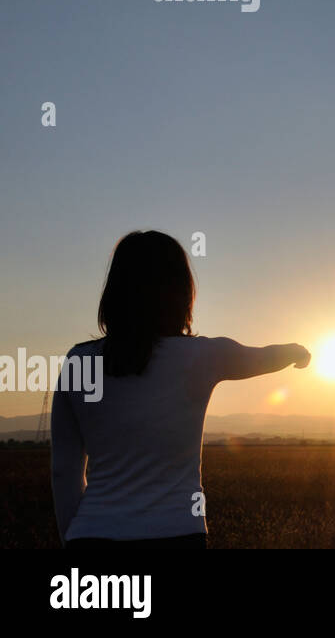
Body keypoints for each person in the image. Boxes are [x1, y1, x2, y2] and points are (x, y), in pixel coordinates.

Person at [51, 230, 310, 547]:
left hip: (92, 536)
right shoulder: (202, 356)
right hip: (176, 534)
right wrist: (298, 352)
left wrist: (72, 539)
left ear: (115, 290)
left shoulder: (79, 361)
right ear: (181, 292)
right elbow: (262, 357)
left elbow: (64, 472)